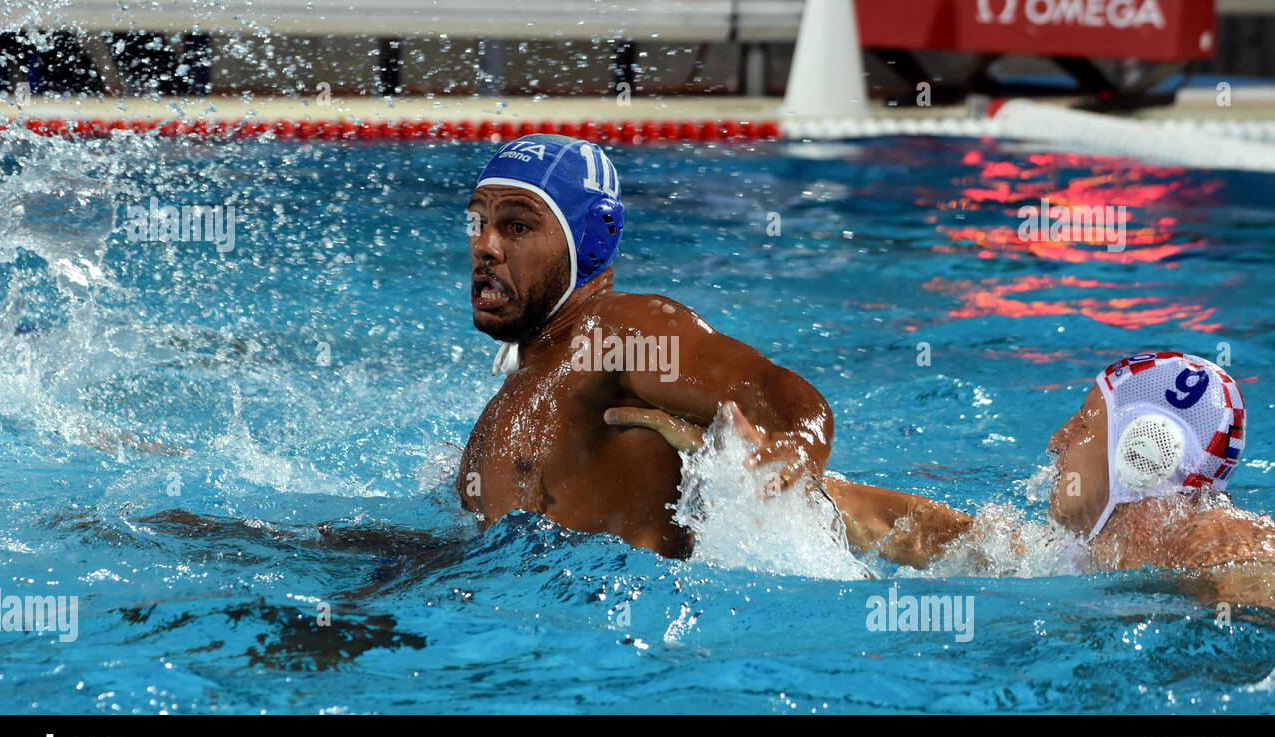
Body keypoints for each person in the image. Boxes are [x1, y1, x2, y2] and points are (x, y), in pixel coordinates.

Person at [458, 134, 873, 558]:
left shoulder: (614, 335)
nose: (484, 247)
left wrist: (800, 442)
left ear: (592, 241)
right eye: (478, 223)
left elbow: (767, 387)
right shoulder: (492, 425)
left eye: (517, 227)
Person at [609, 352, 1275, 606]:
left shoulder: (1220, 548)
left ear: (1143, 454)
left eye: (1080, 424)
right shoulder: (1085, 554)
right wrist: (743, 462)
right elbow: (933, 536)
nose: (1057, 441)